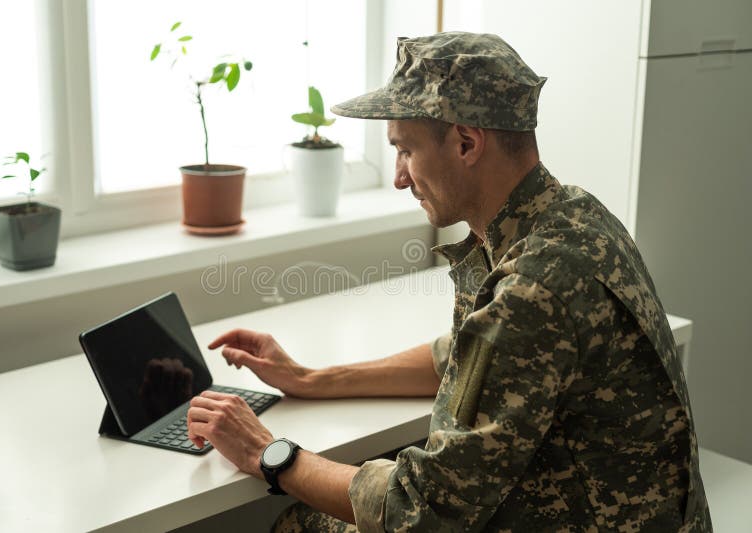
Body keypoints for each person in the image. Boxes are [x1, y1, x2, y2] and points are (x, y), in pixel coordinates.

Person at [186, 32, 712, 531]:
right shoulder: (571, 214)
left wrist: (267, 453)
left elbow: (420, 513)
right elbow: (464, 356)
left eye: (405, 150)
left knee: (302, 522)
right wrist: (311, 378)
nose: (398, 176)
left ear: (465, 142)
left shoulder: (534, 286)